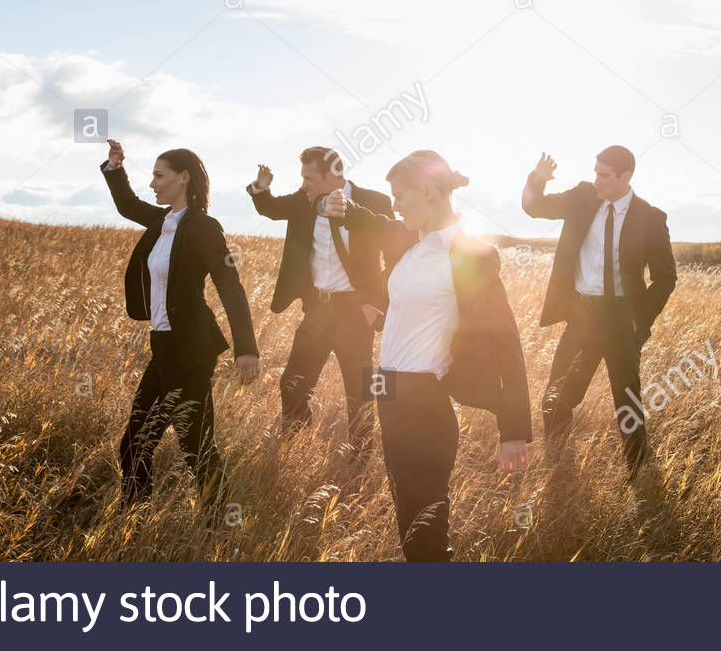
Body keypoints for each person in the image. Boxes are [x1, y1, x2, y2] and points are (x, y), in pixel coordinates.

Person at [322, 150, 531, 560]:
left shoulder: (472, 254)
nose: (394, 206)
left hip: (425, 400)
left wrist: (513, 430)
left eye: (400, 196)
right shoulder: (408, 242)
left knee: (427, 527)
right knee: (409, 518)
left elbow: (505, 341)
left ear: (429, 191)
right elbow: (368, 220)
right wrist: (333, 204)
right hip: (390, 390)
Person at [100, 138, 260, 524]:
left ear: (184, 177)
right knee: (136, 442)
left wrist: (247, 349)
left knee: (195, 446)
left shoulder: (203, 226)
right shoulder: (162, 221)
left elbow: (229, 283)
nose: (152, 183)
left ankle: (218, 524)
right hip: (163, 346)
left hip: (191, 351)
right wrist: (115, 168)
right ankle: (133, 518)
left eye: (159, 175)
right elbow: (126, 205)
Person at [521, 145, 676, 476]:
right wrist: (538, 179)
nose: (597, 180)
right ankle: (558, 465)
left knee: (626, 399)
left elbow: (665, 278)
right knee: (557, 394)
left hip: (622, 319)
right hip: (582, 315)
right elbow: (533, 207)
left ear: (626, 176)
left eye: (604, 175)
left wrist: (640, 318)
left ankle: (638, 471)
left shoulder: (650, 218)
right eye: (595, 172)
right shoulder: (582, 196)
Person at [247, 147, 392, 451]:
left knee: (361, 392)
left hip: (357, 312)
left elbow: (395, 256)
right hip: (318, 310)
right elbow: (271, 209)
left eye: (309, 178)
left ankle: (360, 457)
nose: (303, 184)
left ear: (333, 175)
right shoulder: (304, 201)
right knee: (292, 384)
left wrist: (377, 307)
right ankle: (296, 444)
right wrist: (261, 187)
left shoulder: (374, 201)